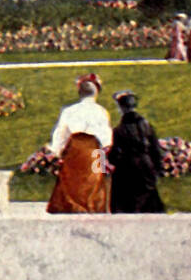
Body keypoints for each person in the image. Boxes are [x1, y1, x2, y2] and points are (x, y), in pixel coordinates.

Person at [46, 73, 112, 213]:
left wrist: (56, 151)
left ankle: (74, 206)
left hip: (75, 149)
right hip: (94, 150)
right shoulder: (101, 111)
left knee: (72, 179)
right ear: (96, 93)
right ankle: (92, 206)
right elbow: (106, 137)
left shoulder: (69, 111)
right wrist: (106, 148)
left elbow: (61, 133)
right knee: (96, 178)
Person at [108, 90, 165, 214]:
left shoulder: (119, 130)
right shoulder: (146, 125)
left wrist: (110, 160)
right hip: (146, 166)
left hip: (128, 167)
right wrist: (158, 168)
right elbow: (155, 149)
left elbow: (114, 155)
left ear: (121, 108)